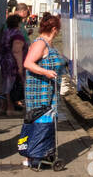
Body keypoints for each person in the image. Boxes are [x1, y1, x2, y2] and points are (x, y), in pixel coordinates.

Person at [24, 13, 68, 163]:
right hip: (39, 90)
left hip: (49, 90)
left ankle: (43, 152)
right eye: (58, 30)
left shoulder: (50, 44)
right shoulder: (40, 43)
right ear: (54, 29)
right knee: (40, 121)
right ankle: (33, 156)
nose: (58, 33)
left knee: (47, 122)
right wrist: (46, 72)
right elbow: (28, 63)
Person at [0, 13, 28, 115]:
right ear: (18, 23)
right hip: (13, 64)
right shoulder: (17, 34)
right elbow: (17, 51)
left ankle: (3, 107)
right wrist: (20, 66)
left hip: (4, 62)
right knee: (12, 86)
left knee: (4, 85)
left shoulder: (6, 32)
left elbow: (0, 47)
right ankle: (10, 109)